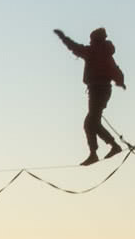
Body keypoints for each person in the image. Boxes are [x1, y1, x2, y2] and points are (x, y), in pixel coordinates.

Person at [54, 27, 126, 165]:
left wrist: (63, 38)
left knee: (90, 123)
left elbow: (75, 47)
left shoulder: (93, 51)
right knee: (92, 123)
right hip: (102, 91)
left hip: (97, 91)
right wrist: (120, 82)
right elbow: (115, 71)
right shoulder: (106, 54)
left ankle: (101, 151)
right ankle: (108, 147)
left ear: (95, 40)